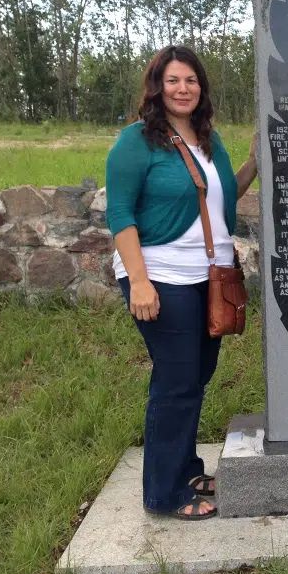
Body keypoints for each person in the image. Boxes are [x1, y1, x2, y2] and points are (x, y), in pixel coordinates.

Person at [105, 45, 258, 521]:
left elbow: (221, 198)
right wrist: (140, 282)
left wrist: (254, 162)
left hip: (206, 276)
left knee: (197, 376)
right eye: (173, 80)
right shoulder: (137, 141)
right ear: (157, 86)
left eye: (191, 80)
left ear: (201, 88)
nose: (183, 88)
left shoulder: (207, 139)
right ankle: (164, 492)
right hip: (161, 275)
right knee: (175, 383)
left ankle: (187, 467)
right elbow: (120, 214)